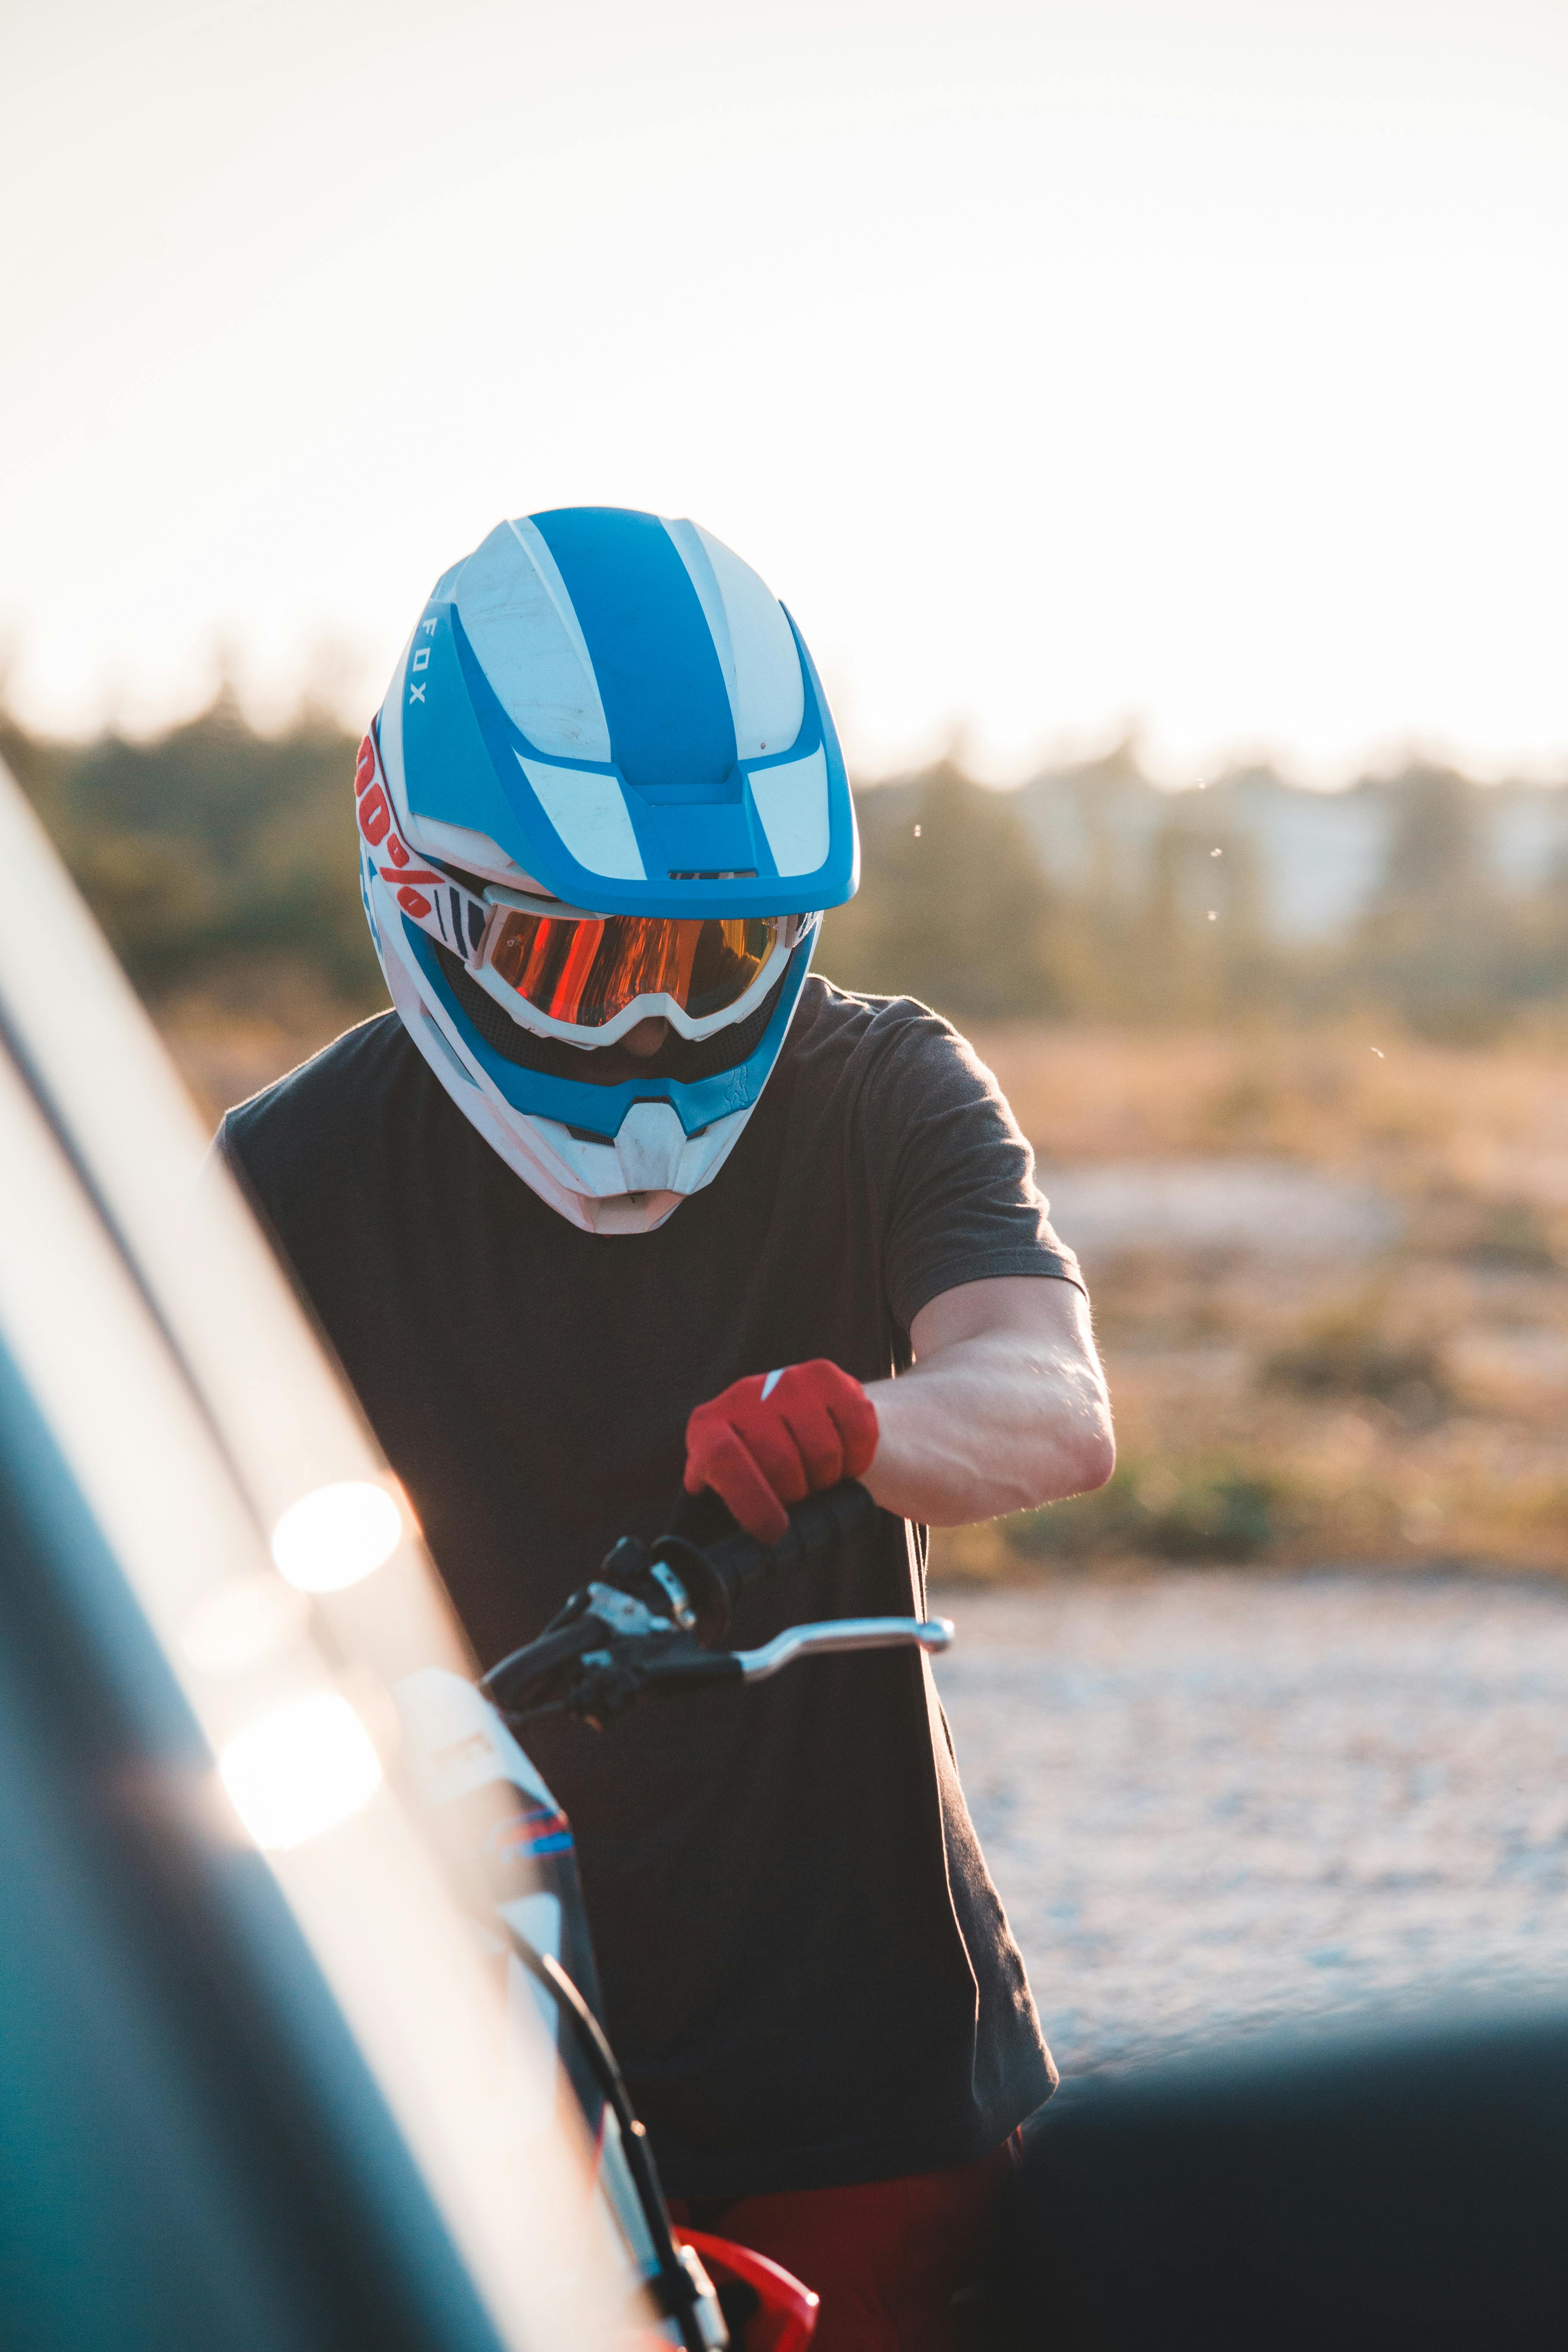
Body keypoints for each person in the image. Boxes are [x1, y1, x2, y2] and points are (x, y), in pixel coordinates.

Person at [221, 506, 1114, 2349]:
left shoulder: (881, 1085)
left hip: (868, 2074)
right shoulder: (290, 1172)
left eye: (707, 959)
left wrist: (860, 1421)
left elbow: (1049, 1400)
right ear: (422, 880)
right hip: (465, 2058)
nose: (643, 1031)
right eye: (575, 963)